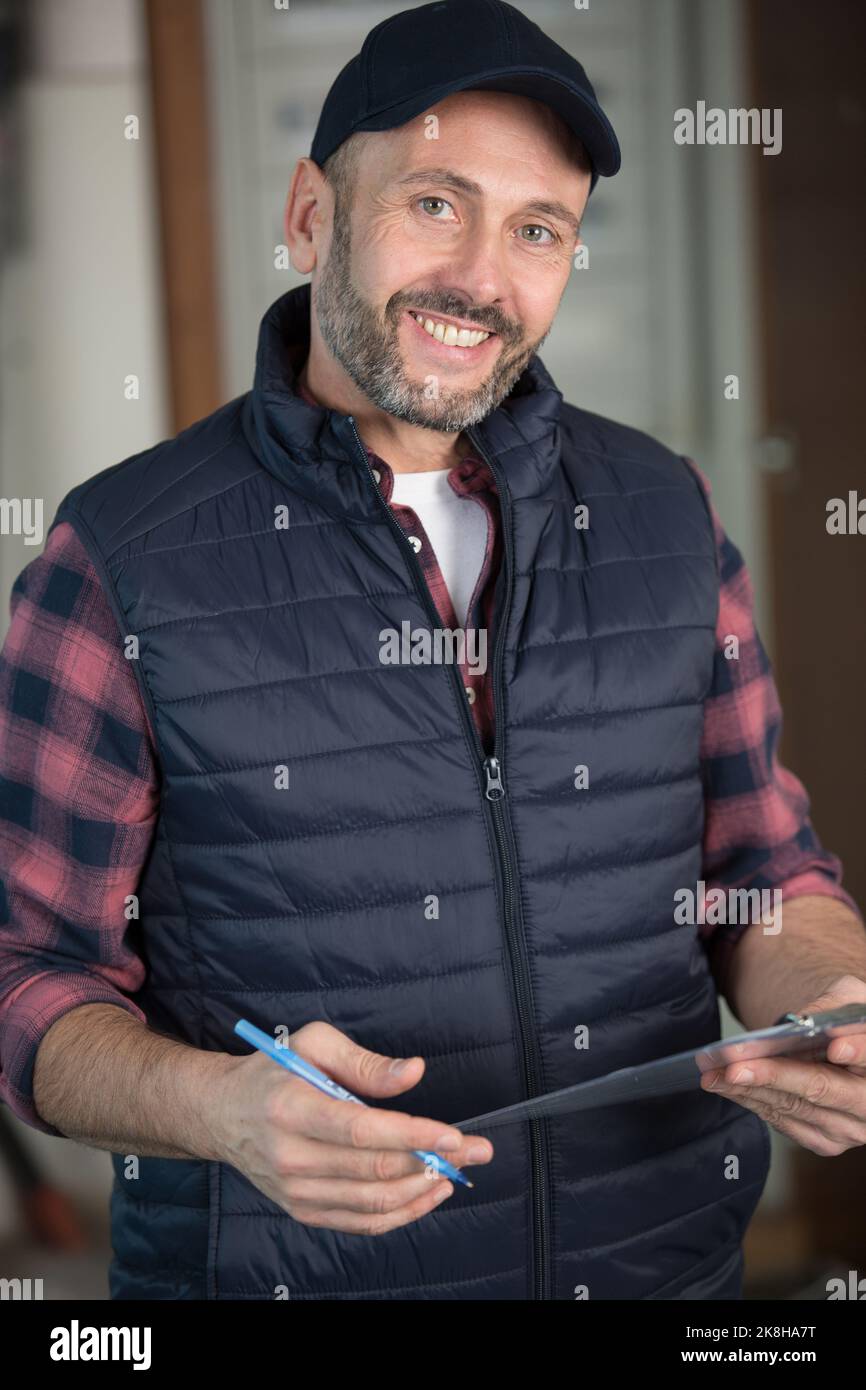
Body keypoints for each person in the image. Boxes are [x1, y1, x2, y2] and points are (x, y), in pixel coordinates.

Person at [1, 0, 864, 1301]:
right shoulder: (121, 553)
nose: (480, 277)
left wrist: (834, 998)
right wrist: (220, 1107)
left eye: (536, 229)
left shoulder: (662, 512)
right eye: (433, 203)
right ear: (309, 215)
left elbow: (757, 868)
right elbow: (29, 974)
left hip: (663, 1272)